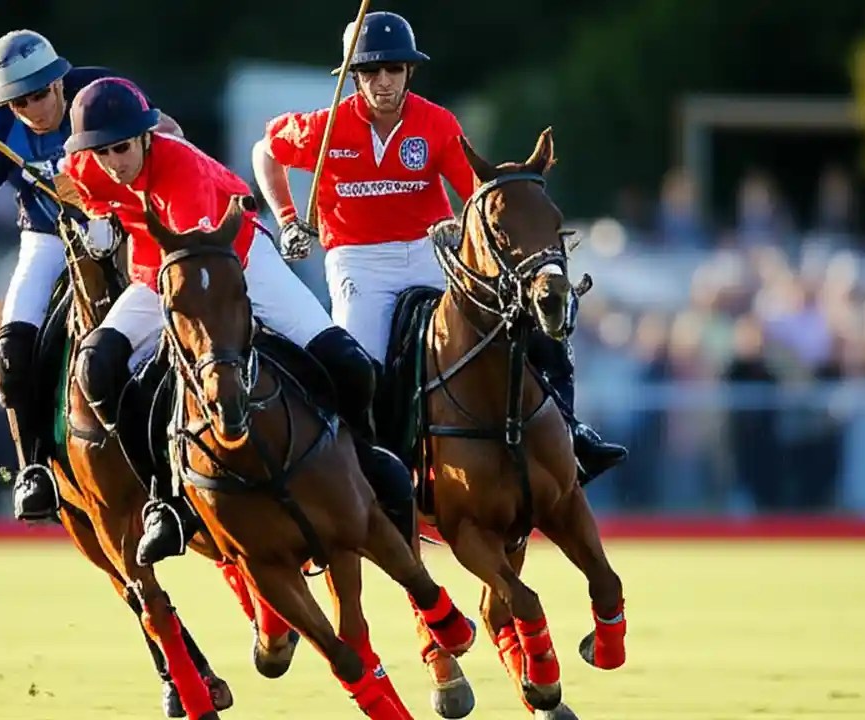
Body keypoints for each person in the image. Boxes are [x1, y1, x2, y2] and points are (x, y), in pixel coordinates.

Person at [251, 10, 626, 481]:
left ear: (410, 72)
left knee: (520, 321)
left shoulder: (436, 123)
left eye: (393, 70)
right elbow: (265, 150)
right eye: (370, 71)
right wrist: (286, 218)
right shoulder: (326, 127)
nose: (383, 82)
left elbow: (479, 199)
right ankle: (366, 474)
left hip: (432, 251)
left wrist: (466, 227)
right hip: (360, 262)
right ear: (354, 77)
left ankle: (571, 433)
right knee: (356, 369)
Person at [60, 77, 414, 566]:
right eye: (101, 154)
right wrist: (97, 215)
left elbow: (198, 276)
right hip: (156, 272)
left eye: (121, 148)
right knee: (96, 363)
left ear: (145, 136)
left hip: (237, 260)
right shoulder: (85, 165)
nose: (113, 163)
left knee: (347, 361)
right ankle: (164, 494)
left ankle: (370, 463)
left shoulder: (184, 173)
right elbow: (80, 184)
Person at [0, 30, 182, 523]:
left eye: (41, 93)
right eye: (19, 100)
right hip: (48, 239)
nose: (34, 108)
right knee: (10, 352)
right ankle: (33, 469)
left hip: (122, 227)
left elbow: (173, 138)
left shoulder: (100, 95)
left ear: (58, 82)